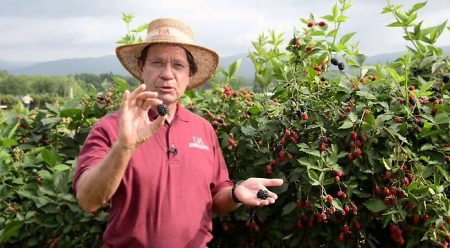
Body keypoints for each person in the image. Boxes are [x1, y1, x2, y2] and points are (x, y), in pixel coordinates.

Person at [73, 18, 284, 248]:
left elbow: (216, 198)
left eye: (178, 65)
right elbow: (88, 200)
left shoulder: (202, 129)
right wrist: (124, 146)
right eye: (157, 62)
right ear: (142, 67)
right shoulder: (111, 128)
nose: (167, 74)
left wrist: (235, 193)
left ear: (189, 75)